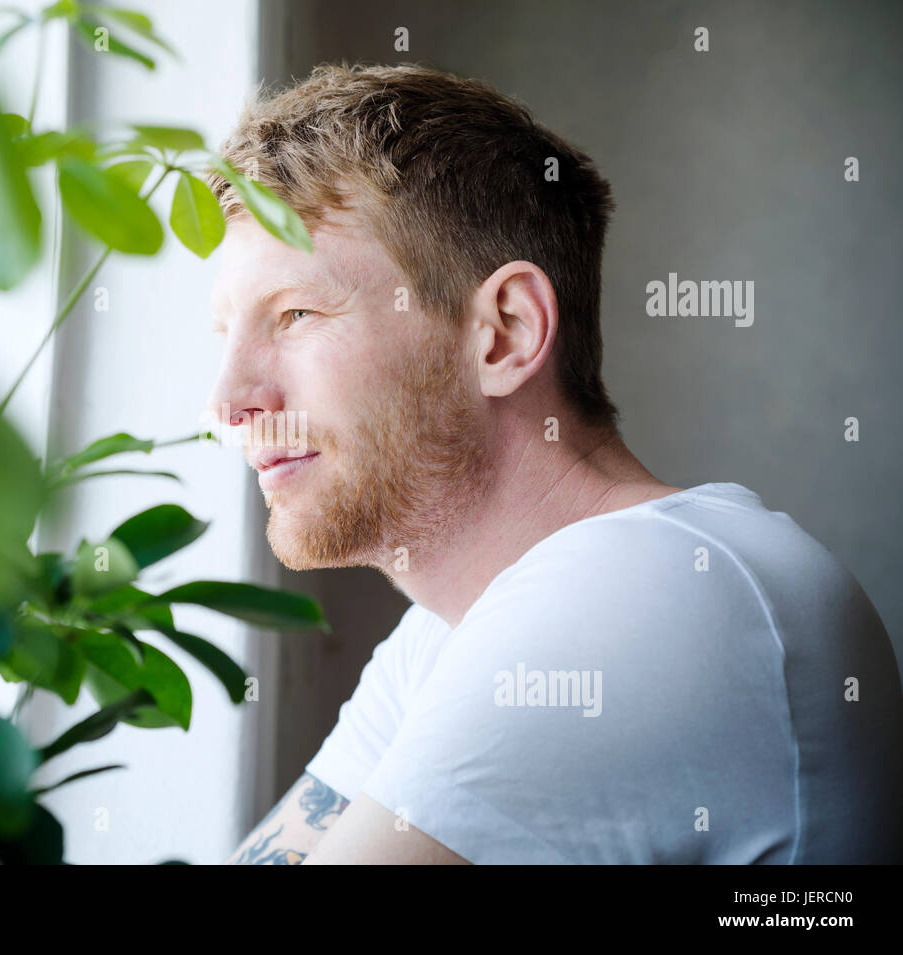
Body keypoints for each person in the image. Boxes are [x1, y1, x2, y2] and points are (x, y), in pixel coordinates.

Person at [204, 63, 903, 864]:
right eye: (222, 334)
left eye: (295, 314)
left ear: (503, 333)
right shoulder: (444, 635)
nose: (228, 402)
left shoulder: (652, 588)